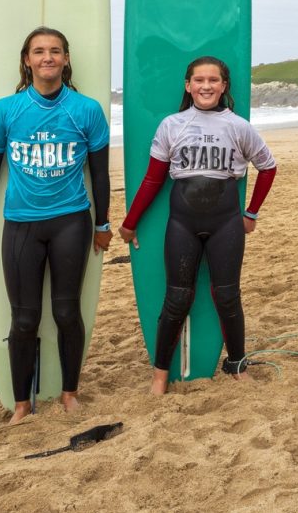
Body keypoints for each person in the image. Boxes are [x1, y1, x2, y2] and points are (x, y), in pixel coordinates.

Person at [0, 27, 111, 424]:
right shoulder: (6, 110)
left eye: (55, 51)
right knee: (24, 319)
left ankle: (69, 393)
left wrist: (103, 223)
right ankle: (22, 405)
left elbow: (100, 175)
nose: (48, 57)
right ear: (27, 61)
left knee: (66, 312)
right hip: (21, 225)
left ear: (66, 59)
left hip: (71, 222)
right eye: (39, 51)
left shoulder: (86, 110)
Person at [119, 56, 277, 395]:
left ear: (224, 86)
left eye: (213, 80)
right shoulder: (172, 125)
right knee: (177, 298)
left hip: (226, 223)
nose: (206, 86)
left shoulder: (238, 126)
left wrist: (251, 213)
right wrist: (131, 222)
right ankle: (160, 375)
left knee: (228, 296)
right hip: (183, 223)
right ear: (188, 86)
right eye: (199, 80)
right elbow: (153, 179)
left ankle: (237, 365)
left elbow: (268, 167)